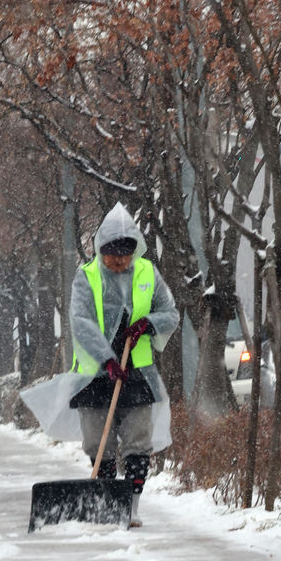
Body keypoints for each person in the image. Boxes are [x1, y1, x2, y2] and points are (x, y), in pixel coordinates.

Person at [69, 202, 179, 526]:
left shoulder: (148, 273)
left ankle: (130, 505)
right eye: (112, 259)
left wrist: (148, 323)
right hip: (95, 375)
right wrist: (106, 358)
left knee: (137, 442)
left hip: (136, 373)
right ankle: (105, 500)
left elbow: (169, 312)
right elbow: (81, 321)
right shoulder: (86, 277)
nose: (119, 264)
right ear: (101, 251)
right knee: (97, 442)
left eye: (124, 258)